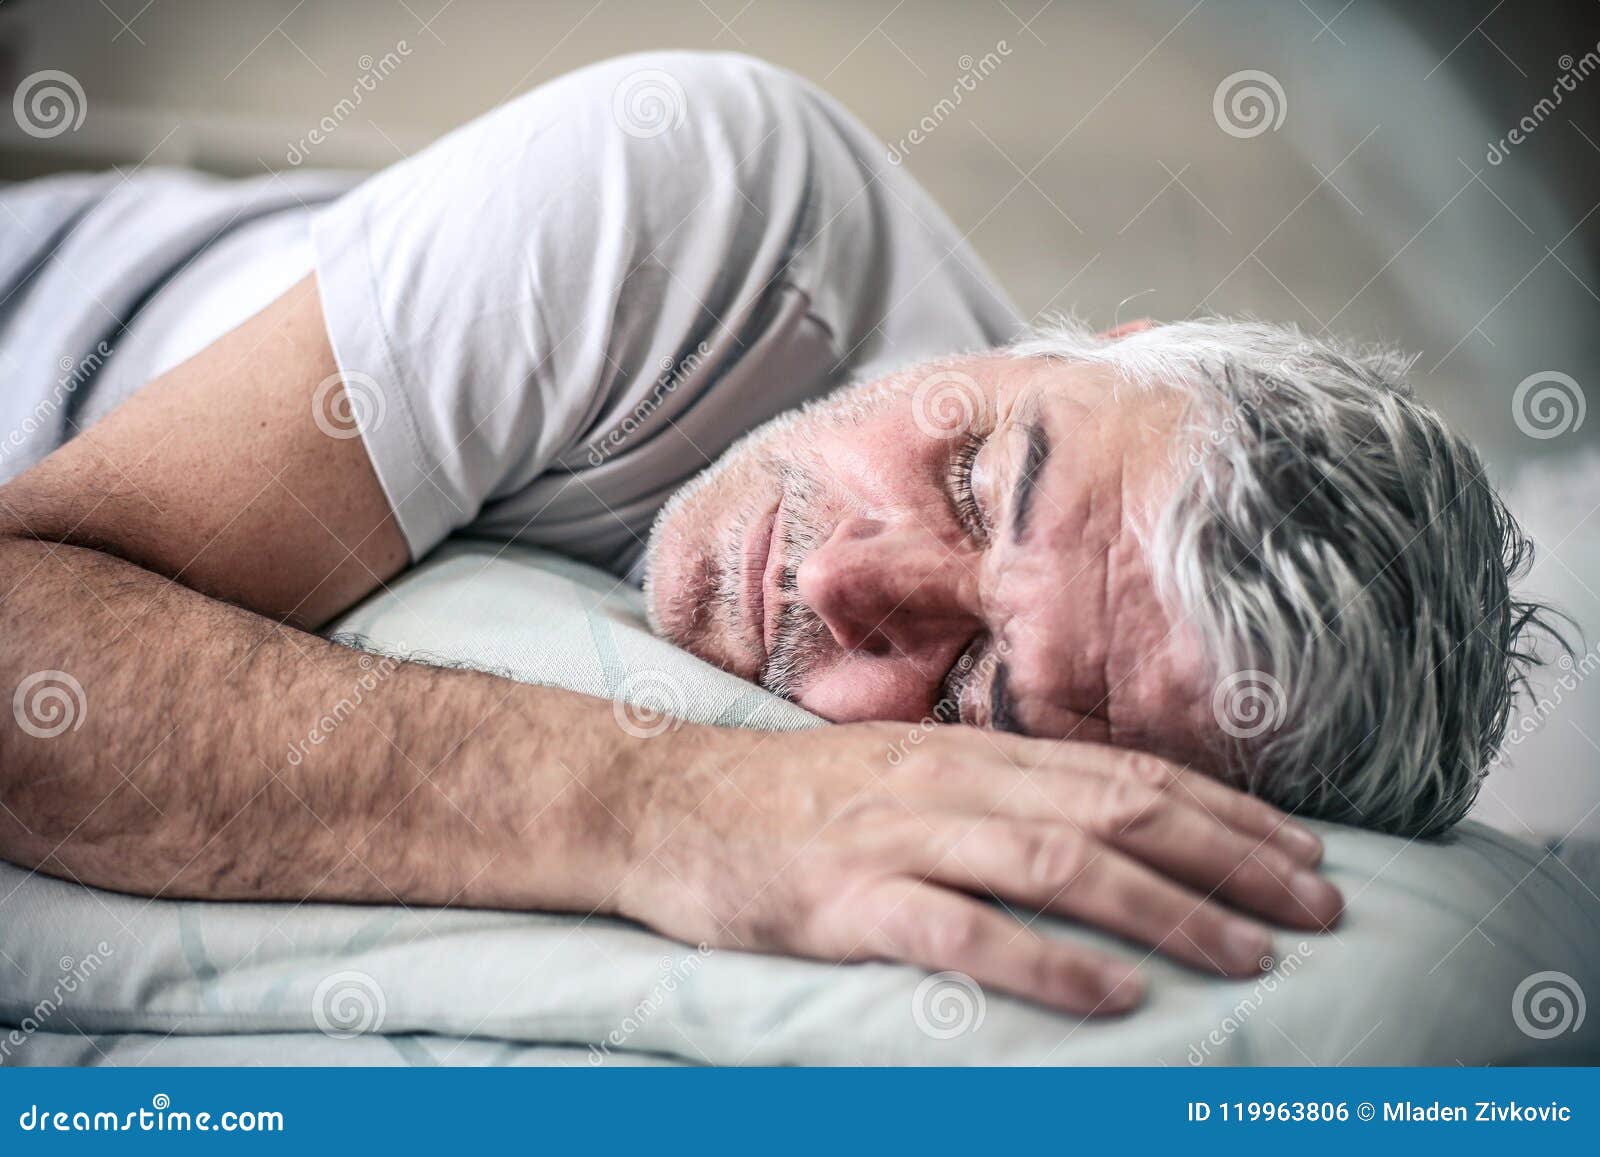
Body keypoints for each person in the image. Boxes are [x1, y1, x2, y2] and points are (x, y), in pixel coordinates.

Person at [0, 52, 1546, 1016]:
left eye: (977, 694)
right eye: (977, 477)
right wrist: (669, 805)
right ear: (1093, 346)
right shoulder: (699, 210)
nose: (846, 576)